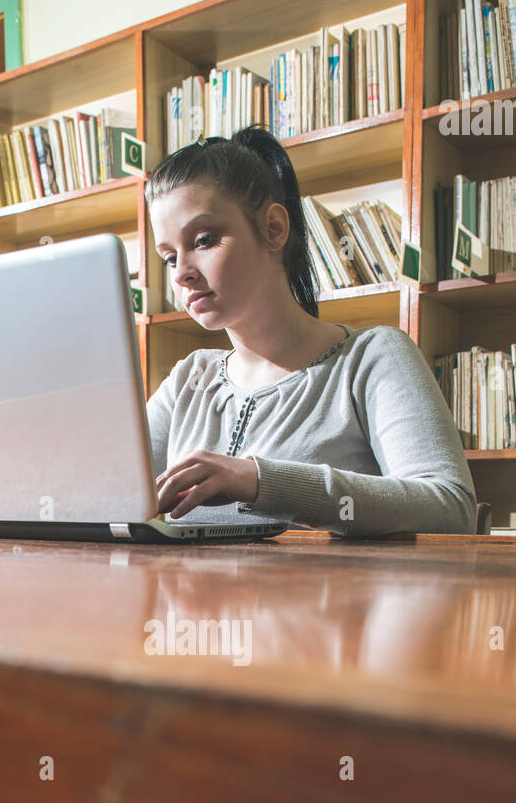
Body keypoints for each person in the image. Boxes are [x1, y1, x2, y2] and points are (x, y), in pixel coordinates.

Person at [144, 125, 477, 535]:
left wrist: (261, 481)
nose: (182, 274)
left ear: (274, 228)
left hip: (331, 600)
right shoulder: (190, 379)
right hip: (188, 600)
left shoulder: (371, 357)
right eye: (169, 257)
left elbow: (450, 507)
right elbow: (106, 489)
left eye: (204, 239)